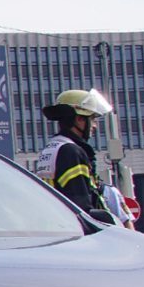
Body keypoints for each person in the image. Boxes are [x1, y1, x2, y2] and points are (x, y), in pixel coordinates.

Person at [35, 89, 117, 224]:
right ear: (79, 119)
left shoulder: (54, 147)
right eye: (92, 119)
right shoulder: (71, 152)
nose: (95, 126)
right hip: (76, 232)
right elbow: (80, 205)